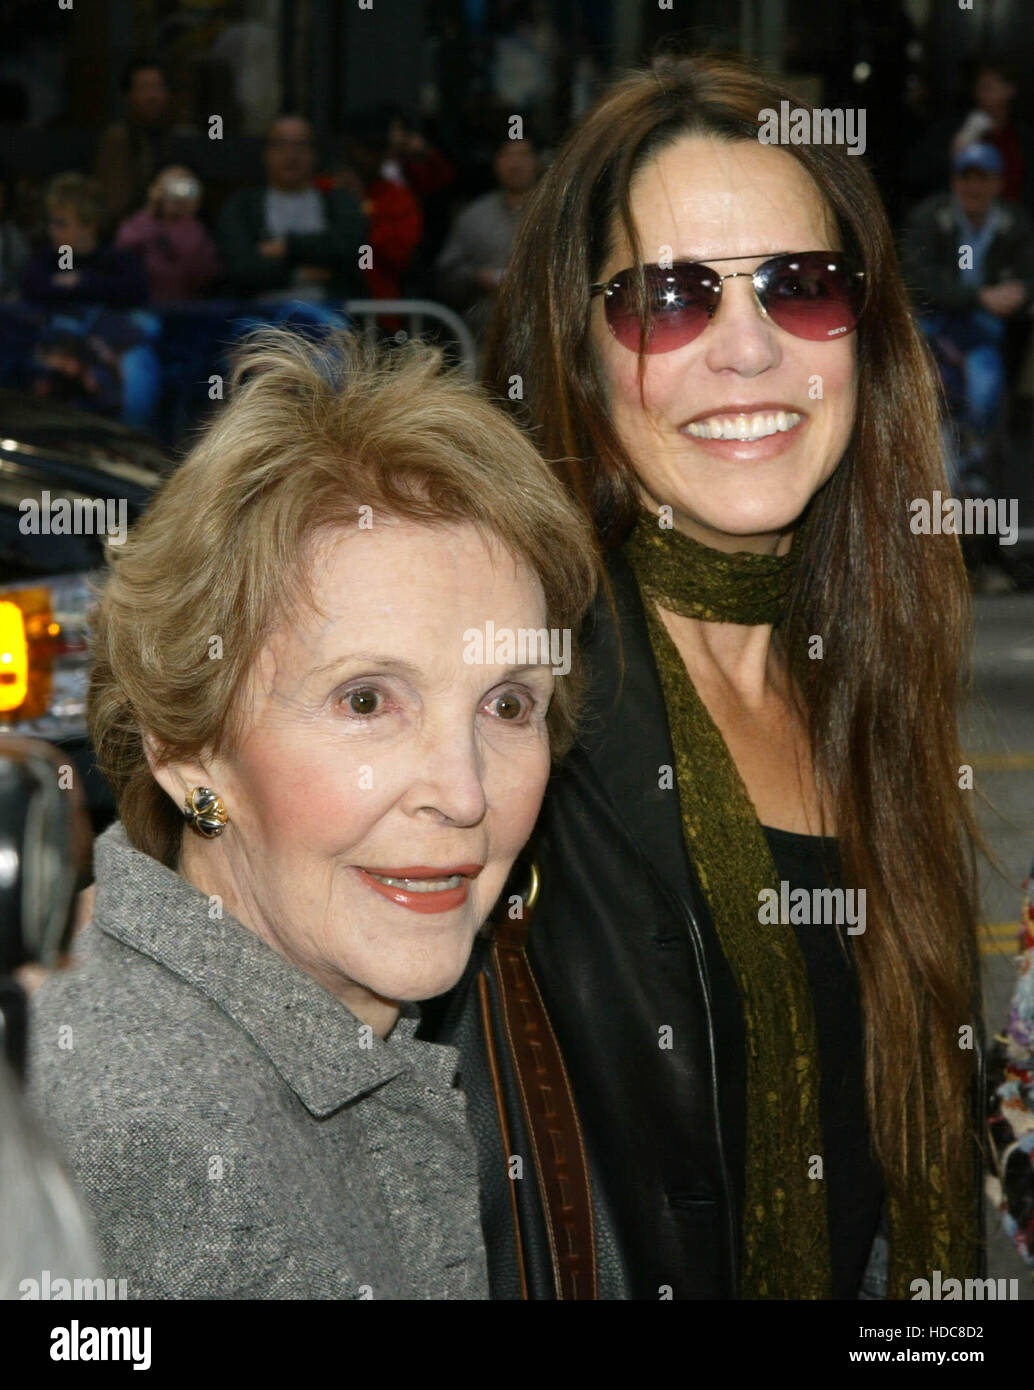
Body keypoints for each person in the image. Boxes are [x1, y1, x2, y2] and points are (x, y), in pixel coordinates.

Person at [422, 53, 987, 1300]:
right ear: (575, 347)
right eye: (667, 300)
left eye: (800, 286)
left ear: (864, 331)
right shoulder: (503, 691)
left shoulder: (871, 676)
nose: (747, 350)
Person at [23, 326, 598, 1300]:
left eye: (507, 704)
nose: (462, 792)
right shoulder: (172, 1168)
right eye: (366, 701)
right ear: (189, 750)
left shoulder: (193, 1012)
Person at [902, 142, 1034, 493]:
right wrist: (977, 297)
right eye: (966, 178)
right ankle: (918, 470)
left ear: (998, 183)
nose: (973, 187)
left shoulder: (1013, 221)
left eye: (983, 178)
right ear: (954, 181)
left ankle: (973, 461)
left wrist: (1021, 293)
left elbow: (1027, 274)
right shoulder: (931, 216)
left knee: (984, 388)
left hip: (980, 331)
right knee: (926, 390)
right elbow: (916, 277)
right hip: (933, 326)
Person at [216, 114, 367, 305]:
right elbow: (240, 268)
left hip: (331, 320)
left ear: (314, 153)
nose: (291, 155)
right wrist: (303, 273)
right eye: (281, 145)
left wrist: (287, 247)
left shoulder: (338, 202)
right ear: (266, 153)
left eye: (300, 145)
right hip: (259, 322)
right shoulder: (242, 206)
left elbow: (349, 249)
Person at [435, 136, 538, 340]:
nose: (515, 164)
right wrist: (477, 277)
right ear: (496, 162)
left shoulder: (556, 211)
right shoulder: (473, 216)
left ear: (536, 161)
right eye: (507, 156)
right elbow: (446, 276)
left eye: (523, 155)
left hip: (543, 333)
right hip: (485, 337)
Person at [94, 58, 178, 234]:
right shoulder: (119, 139)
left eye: (158, 88)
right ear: (128, 96)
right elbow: (116, 206)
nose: (153, 96)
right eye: (145, 88)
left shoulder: (171, 137)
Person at [115, 164, 220, 302]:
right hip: (143, 305)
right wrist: (152, 209)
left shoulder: (198, 229)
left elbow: (206, 274)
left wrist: (188, 215)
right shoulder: (138, 224)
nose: (178, 194)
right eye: (171, 186)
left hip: (189, 307)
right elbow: (122, 251)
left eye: (186, 186)